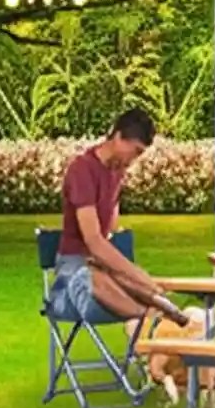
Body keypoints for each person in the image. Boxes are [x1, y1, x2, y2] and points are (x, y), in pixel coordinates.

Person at [49, 108, 177, 331]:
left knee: (130, 283)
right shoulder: (82, 170)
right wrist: (141, 276)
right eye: (135, 151)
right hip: (73, 268)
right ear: (118, 136)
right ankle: (147, 318)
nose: (134, 160)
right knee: (93, 279)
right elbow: (94, 241)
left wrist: (141, 283)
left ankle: (164, 316)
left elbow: (108, 232)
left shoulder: (116, 173)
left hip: (99, 267)